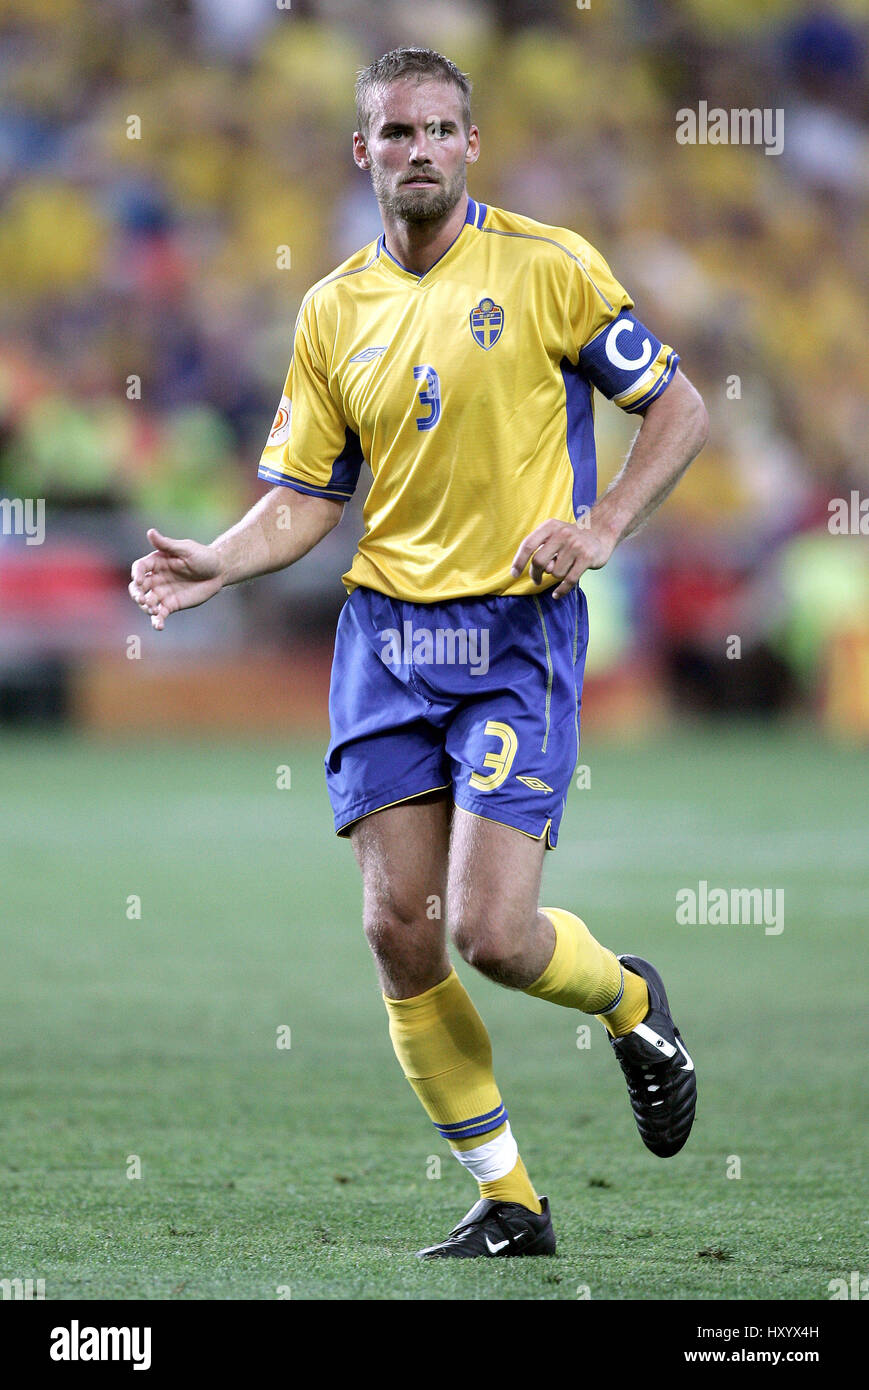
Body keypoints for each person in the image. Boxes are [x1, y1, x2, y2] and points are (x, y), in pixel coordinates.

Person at [129, 47, 708, 1259]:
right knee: (399, 928)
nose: (420, 150)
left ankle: (631, 1000)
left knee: (491, 936)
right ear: (363, 152)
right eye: (396, 133)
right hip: (386, 639)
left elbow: (678, 407)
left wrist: (601, 526)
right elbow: (304, 494)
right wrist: (221, 561)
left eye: (441, 129)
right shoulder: (331, 308)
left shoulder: (549, 269)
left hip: (510, 634)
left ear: (472, 145)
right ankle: (509, 1202)